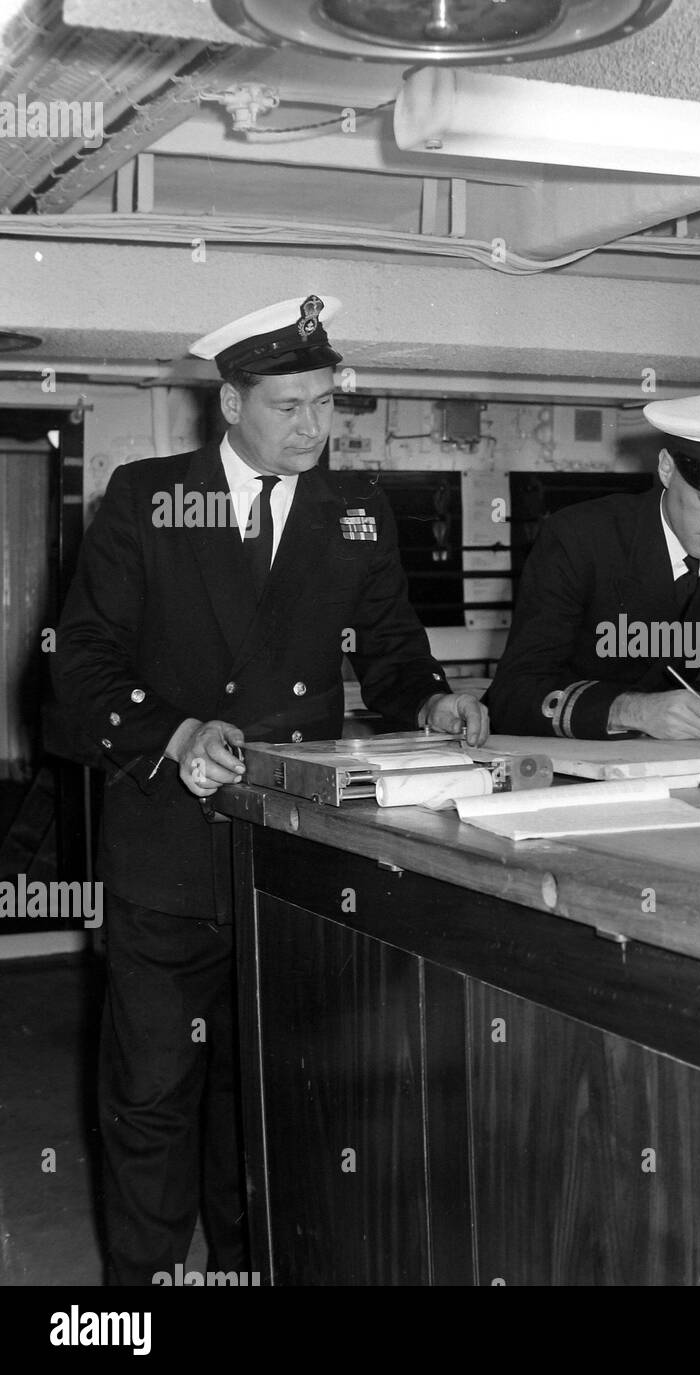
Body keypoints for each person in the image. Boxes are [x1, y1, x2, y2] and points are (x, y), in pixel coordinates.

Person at [51, 294, 487, 1285]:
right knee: (153, 1101)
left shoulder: (355, 515)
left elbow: (390, 655)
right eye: (288, 406)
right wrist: (175, 731)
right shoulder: (146, 497)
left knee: (262, 1105)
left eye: (325, 403)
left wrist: (429, 704)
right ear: (231, 405)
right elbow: (77, 674)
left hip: (289, 859)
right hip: (167, 862)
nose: (313, 426)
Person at [485, 393, 700, 740]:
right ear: (666, 468)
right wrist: (634, 711)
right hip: (577, 749)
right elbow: (513, 694)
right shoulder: (580, 537)